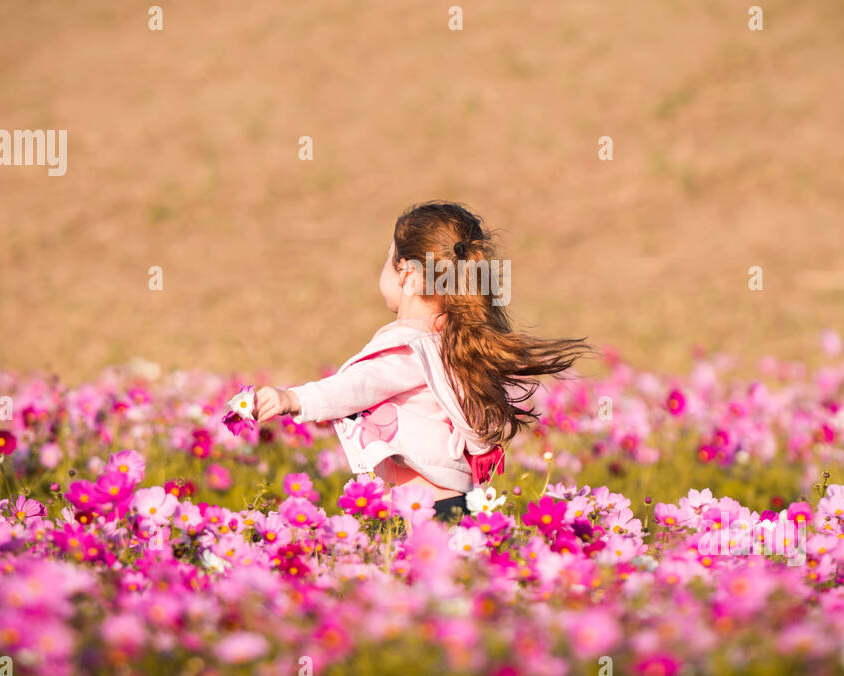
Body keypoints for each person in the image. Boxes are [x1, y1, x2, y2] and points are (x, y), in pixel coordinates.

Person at [252, 201, 591, 524]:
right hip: (455, 503)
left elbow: (361, 384)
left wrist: (293, 399)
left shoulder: (412, 346)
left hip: (424, 510)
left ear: (408, 275)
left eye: (388, 261)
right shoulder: (450, 341)